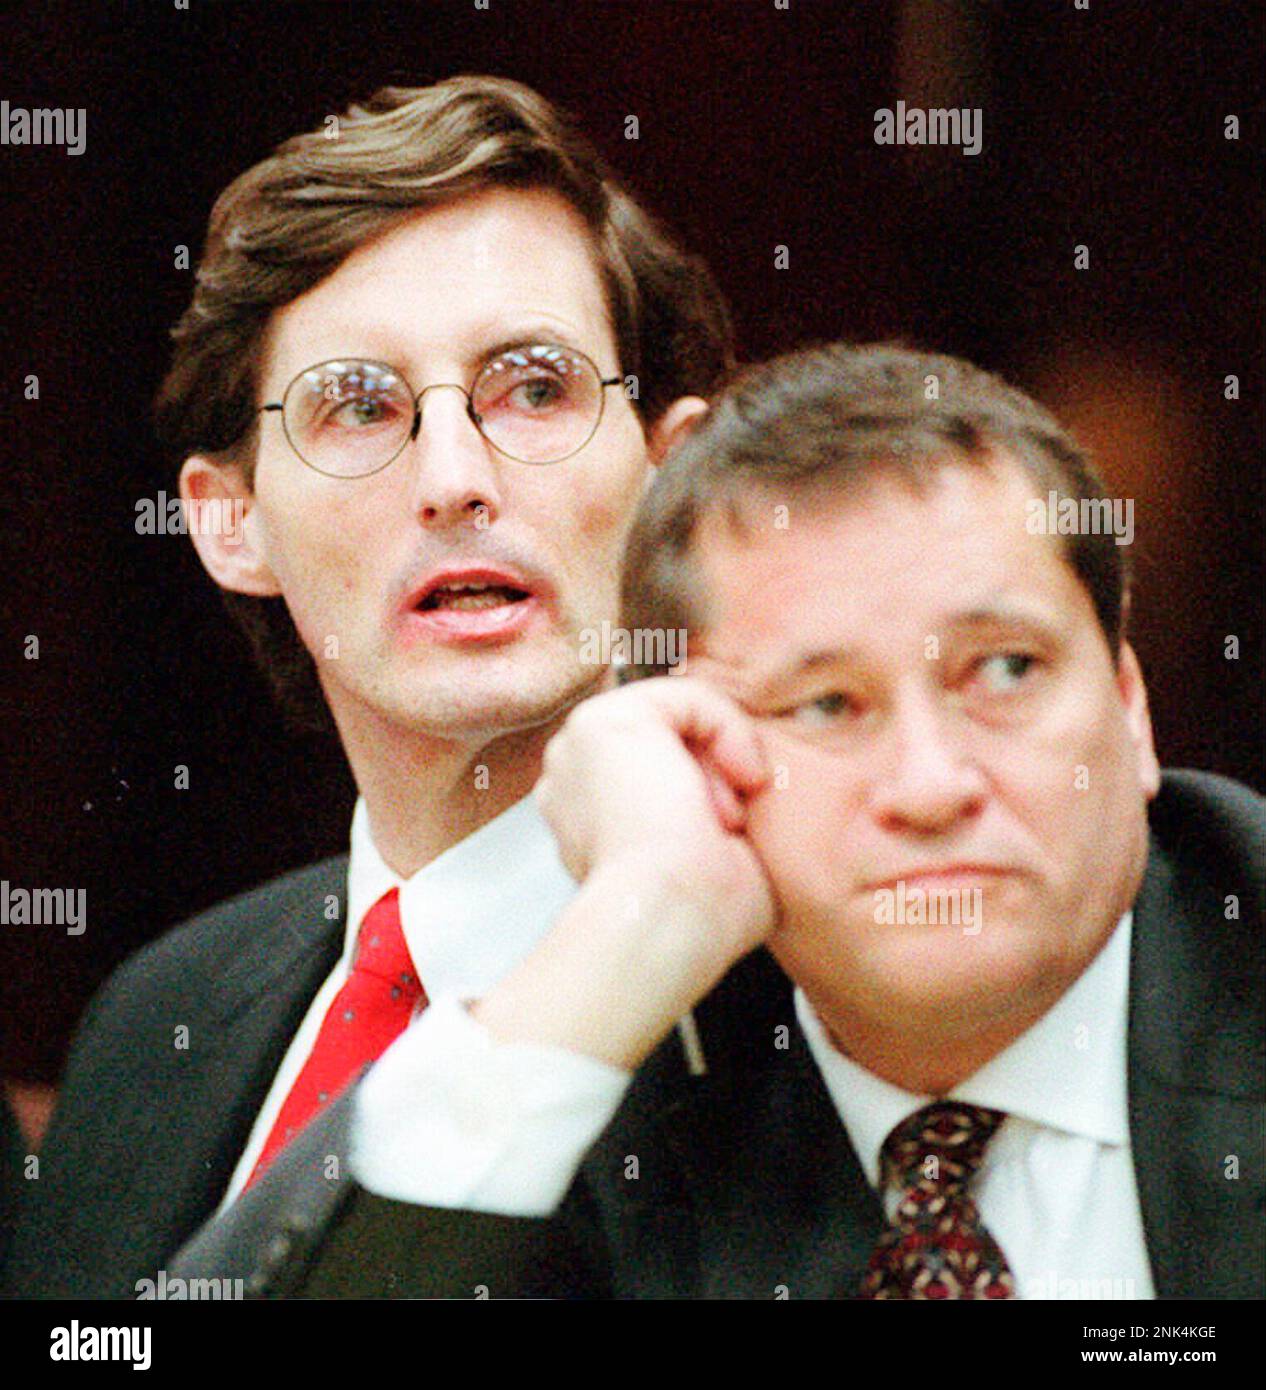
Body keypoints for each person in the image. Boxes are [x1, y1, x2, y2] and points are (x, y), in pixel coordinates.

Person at [169, 343, 1262, 1299]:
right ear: (687, 748)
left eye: (1008, 671)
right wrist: (635, 922)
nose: (932, 786)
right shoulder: (604, 1069)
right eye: (827, 704)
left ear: (1130, 706)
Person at [2, 75, 732, 1300]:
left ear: (671, 477)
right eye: (357, 406)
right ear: (231, 524)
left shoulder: (819, 998)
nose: (454, 476)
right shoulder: (155, 1021)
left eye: (535, 386)